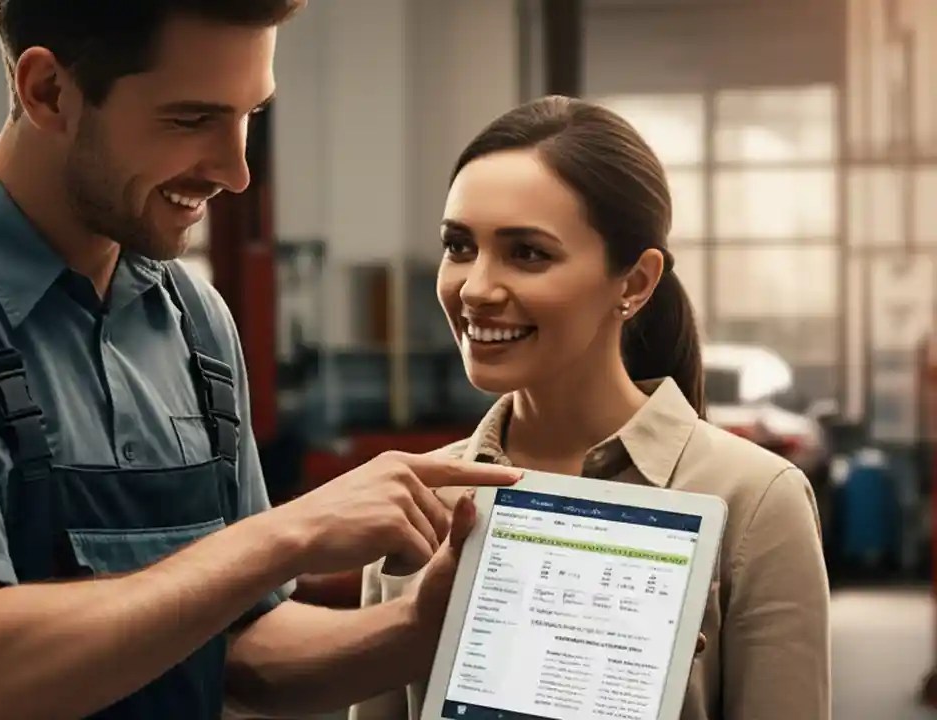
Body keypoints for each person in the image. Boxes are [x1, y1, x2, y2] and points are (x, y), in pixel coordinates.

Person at [0, 2, 523, 718]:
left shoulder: (195, 323)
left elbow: (240, 650)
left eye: (249, 116)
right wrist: (285, 535)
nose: (234, 170)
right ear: (49, 90)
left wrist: (424, 623)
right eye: (190, 118)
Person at [350, 96, 830, 720]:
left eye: (527, 253)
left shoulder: (757, 500)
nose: (475, 288)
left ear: (634, 283)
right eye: (460, 246)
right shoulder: (413, 498)